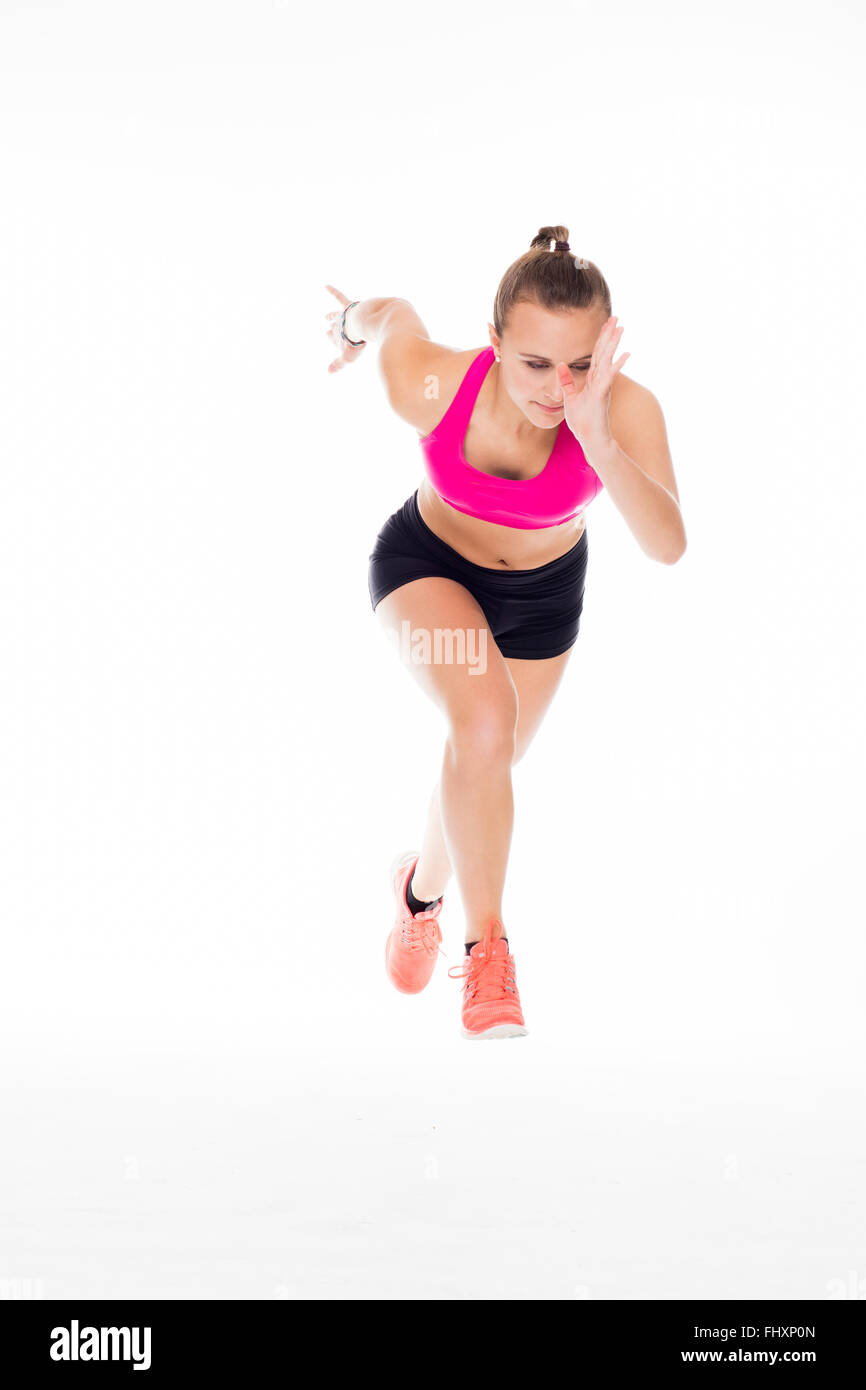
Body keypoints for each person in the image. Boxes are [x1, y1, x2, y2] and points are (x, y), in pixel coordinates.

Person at [324, 225, 686, 1040]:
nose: (558, 388)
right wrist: (350, 327)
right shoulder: (430, 385)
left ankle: (418, 893)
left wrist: (597, 438)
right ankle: (488, 959)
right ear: (494, 344)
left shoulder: (623, 411)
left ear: (607, 346)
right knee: (483, 722)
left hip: (542, 601)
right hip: (428, 570)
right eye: (533, 364)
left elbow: (667, 546)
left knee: (485, 755)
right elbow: (390, 317)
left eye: (581, 364)